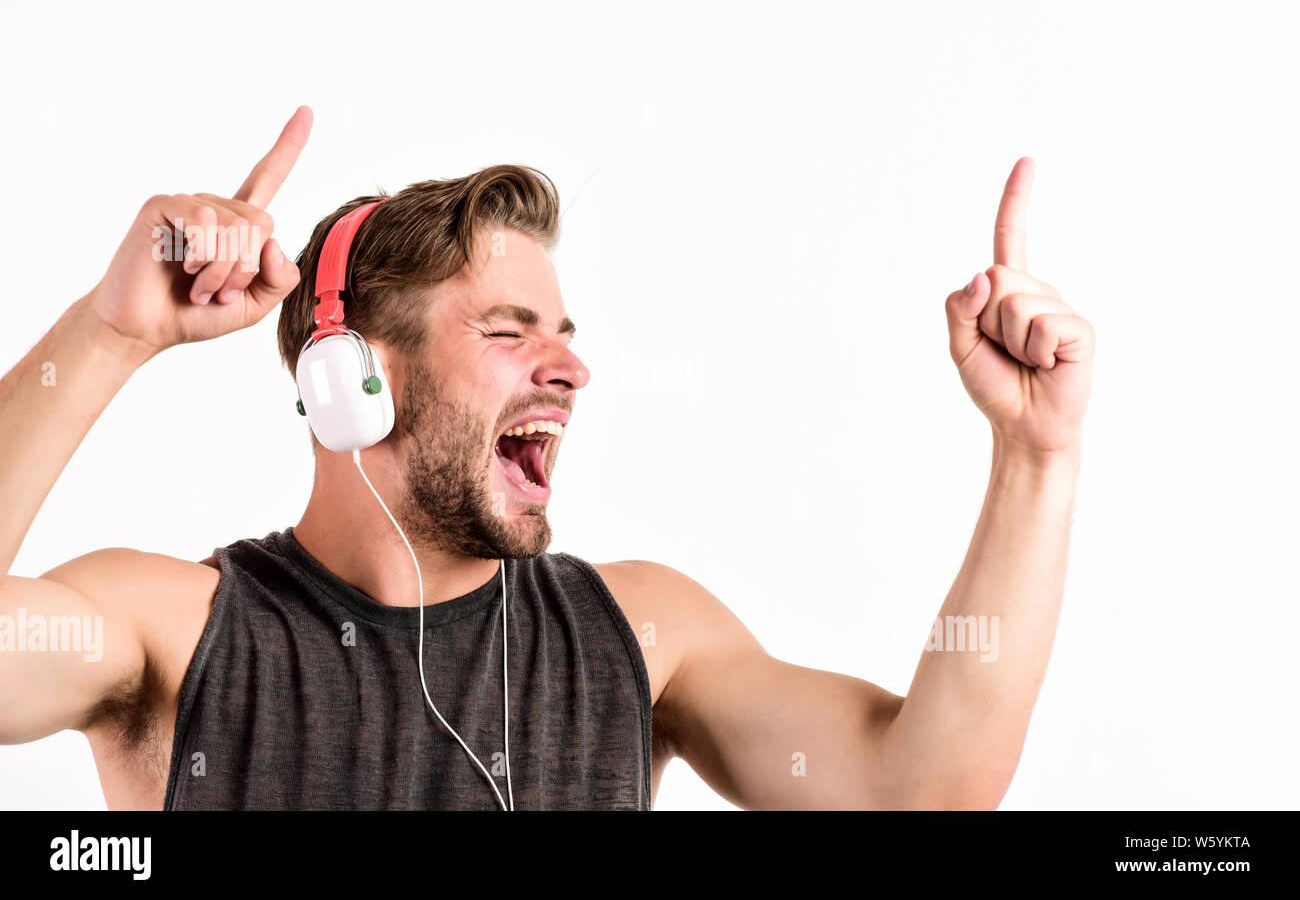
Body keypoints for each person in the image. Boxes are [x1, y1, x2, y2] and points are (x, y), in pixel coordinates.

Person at [0, 106, 1094, 810]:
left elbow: (925, 795)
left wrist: (1034, 454)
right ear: (353, 380)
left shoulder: (638, 636)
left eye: (567, 334)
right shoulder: (175, 632)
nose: (568, 370)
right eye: (509, 329)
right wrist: (110, 336)